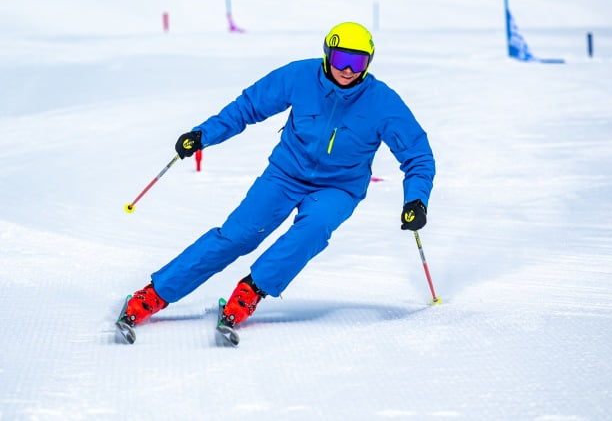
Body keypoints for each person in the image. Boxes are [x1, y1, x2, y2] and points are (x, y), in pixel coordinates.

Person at [118, 22, 435, 334]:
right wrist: (203, 134)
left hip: (339, 187)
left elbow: (417, 155)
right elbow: (248, 107)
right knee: (237, 235)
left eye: (358, 62)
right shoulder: (300, 76)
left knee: (314, 229)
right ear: (327, 55)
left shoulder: (383, 102)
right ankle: (155, 294)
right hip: (285, 174)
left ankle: (251, 290)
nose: (349, 70)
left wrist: (416, 200)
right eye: (342, 59)